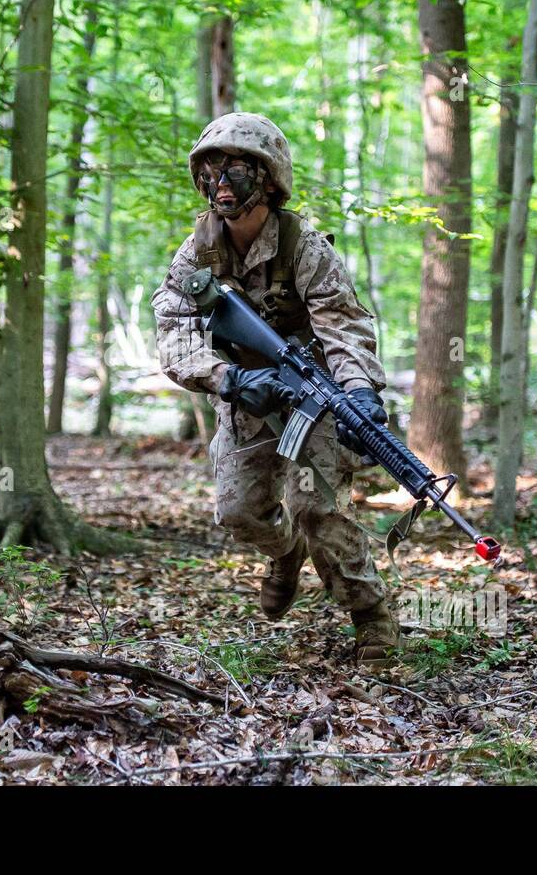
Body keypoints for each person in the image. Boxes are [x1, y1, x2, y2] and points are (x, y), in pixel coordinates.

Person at [151, 112, 400, 666]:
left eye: (234, 170)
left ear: (266, 179)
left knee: (319, 511)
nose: (219, 183)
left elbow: (344, 326)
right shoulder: (198, 252)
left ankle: (372, 618)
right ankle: (285, 556)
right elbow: (171, 330)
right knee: (239, 511)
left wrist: (360, 392)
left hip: (312, 394)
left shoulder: (304, 247)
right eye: (210, 170)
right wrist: (228, 379)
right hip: (246, 393)